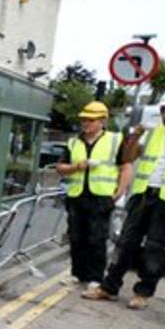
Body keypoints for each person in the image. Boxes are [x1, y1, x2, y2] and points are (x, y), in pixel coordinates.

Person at [83, 88, 165, 308]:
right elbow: (128, 158)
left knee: (154, 247)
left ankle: (143, 293)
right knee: (126, 242)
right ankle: (109, 287)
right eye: (163, 110)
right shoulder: (154, 132)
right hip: (143, 194)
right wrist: (135, 136)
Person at [55, 101, 127, 286]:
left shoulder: (115, 140)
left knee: (97, 238)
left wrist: (120, 190)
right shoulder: (74, 142)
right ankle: (77, 274)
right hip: (77, 195)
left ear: (102, 121)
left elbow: (126, 166)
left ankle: (95, 277)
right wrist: (77, 166)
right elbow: (60, 168)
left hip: (101, 197)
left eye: (90, 120)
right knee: (76, 236)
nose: (86, 123)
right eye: (84, 119)